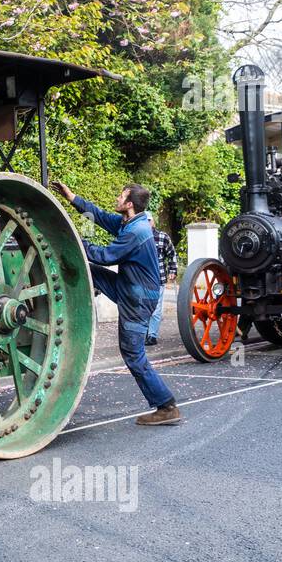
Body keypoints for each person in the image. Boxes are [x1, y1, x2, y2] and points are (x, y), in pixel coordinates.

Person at [50, 180, 181, 426]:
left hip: (138, 299)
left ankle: (166, 406)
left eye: (121, 196)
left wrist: (73, 241)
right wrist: (72, 198)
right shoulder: (128, 222)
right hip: (128, 287)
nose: (117, 199)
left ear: (129, 204)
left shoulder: (136, 232)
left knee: (132, 353)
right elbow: (99, 216)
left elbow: (105, 256)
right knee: (89, 271)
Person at [147, 213, 178, 346]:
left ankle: (152, 335)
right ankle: (143, 334)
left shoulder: (162, 237)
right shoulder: (136, 237)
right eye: (144, 221)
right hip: (140, 278)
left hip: (158, 278)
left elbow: (172, 254)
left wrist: (172, 270)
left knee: (156, 308)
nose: (147, 223)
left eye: (149, 220)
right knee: (142, 307)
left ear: (153, 222)